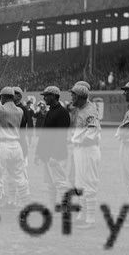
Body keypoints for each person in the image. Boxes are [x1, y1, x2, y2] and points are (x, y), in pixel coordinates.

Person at [67, 82, 102, 227]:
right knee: (79, 183)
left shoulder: (90, 110)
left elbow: (92, 133)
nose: (71, 98)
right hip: (80, 150)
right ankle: (82, 214)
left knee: (89, 183)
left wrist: (78, 140)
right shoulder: (81, 109)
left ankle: (91, 218)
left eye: (73, 95)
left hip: (88, 149)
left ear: (81, 97)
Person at [0, 87, 29, 208]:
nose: (0, 100)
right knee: (20, 177)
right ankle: (26, 206)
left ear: (5, 97)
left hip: (1, 144)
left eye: (1, 98)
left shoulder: (0, 108)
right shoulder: (20, 111)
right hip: (15, 145)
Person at [37, 86, 73, 202]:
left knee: (60, 183)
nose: (44, 98)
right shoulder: (51, 111)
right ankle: (52, 208)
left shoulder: (62, 112)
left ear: (53, 96)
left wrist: (55, 155)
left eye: (46, 95)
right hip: (47, 154)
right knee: (50, 184)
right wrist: (39, 153)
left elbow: (61, 136)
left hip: (57, 155)